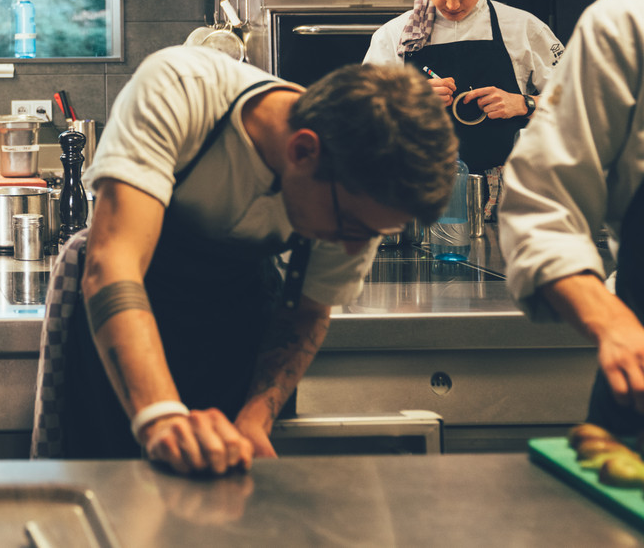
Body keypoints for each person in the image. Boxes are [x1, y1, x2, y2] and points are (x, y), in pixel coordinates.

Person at [31, 45, 456, 474]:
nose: (351, 250)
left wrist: (254, 420)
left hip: (237, 339)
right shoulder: (181, 90)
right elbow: (114, 263)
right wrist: (160, 417)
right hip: (124, 338)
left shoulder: (356, 179)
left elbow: (308, 312)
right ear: (302, 152)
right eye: (351, 228)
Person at [500, 0, 644, 434]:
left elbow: (542, 94)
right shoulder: (626, 21)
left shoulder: (524, 26)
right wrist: (612, 323)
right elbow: (542, 200)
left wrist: (522, 102)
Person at [363, 0, 564, 176]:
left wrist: (526, 104)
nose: (453, 6)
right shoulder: (394, 35)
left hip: (507, 186)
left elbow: (577, 102)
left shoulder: (523, 28)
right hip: (419, 186)